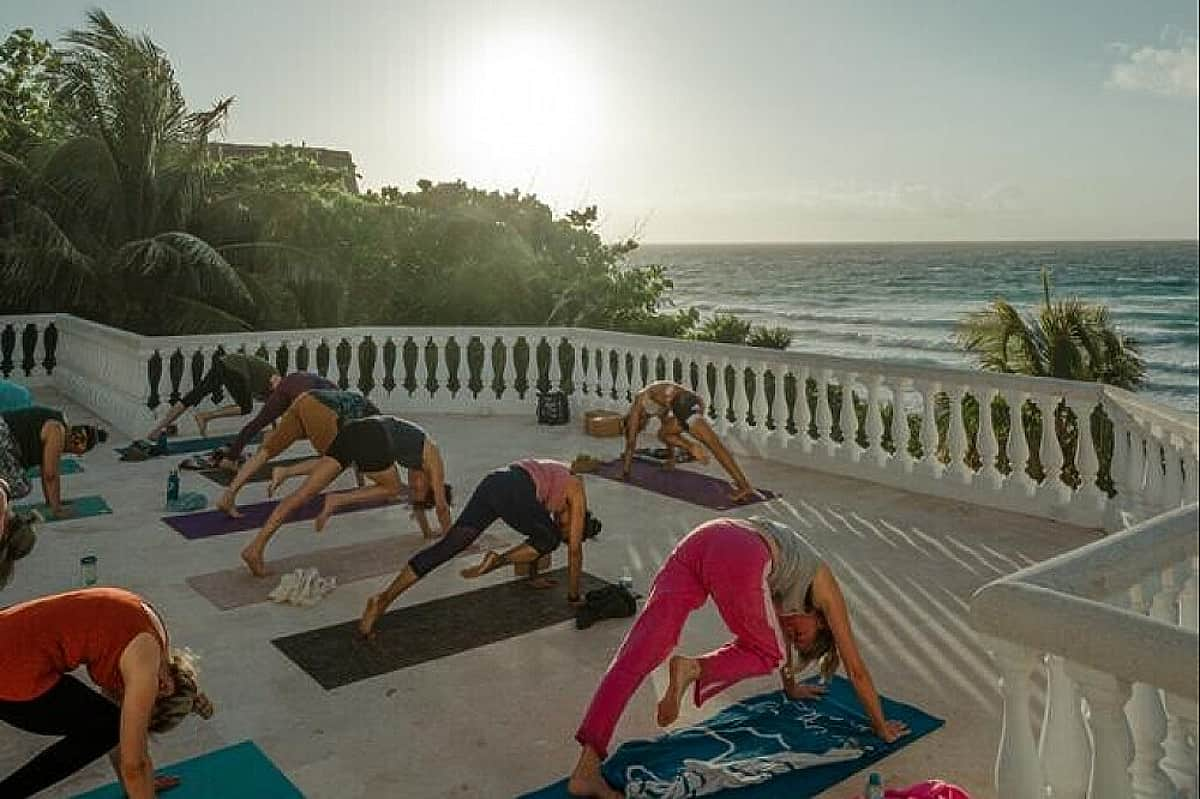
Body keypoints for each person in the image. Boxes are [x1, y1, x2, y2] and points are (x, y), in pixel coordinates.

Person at [566, 516, 909, 798]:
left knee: (634, 657)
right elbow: (856, 668)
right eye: (801, 634)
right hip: (740, 548)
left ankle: (586, 769)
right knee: (768, 652)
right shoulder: (826, 591)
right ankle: (693, 669)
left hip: (703, 538)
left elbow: (778, 636)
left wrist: (790, 688)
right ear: (820, 621)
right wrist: (880, 726)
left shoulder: (785, 586)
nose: (791, 633)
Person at [0, 587, 214, 799]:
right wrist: (138, 780)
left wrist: (140, 785)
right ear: (165, 688)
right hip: (9, 668)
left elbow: (119, 737)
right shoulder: (145, 670)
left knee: (105, 724)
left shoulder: (150, 632)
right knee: (106, 726)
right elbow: (134, 764)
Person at [359, 458, 598, 637]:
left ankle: (382, 599)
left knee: (447, 547)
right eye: (567, 525)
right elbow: (574, 550)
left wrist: (534, 576)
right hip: (515, 487)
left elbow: (536, 535)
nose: (561, 523)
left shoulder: (552, 481)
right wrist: (574, 596)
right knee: (550, 538)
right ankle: (497, 560)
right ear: (581, 517)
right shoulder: (576, 487)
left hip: (494, 482)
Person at [239, 415, 451, 577]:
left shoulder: (417, 462)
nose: (413, 484)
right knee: (394, 489)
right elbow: (441, 506)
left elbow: (420, 502)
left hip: (354, 431)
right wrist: (454, 539)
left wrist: (427, 531)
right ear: (433, 485)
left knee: (302, 494)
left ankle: (255, 548)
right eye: (418, 487)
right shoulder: (434, 457)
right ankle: (336, 499)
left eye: (415, 490)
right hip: (373, 435)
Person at [216, 389, 378, 518]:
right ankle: (285, 471)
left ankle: (228, 496)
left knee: (266, 452)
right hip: (320, 407)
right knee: (333, 462)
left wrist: (361, 486)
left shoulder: (367, 415)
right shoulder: (378, 426)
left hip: (303, 400)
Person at [621, 381, 757, 503]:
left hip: (683, 404)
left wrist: (626, 471)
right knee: (663, 434)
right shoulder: (653, 402)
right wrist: (672, 459)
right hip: (688, 403)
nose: (642, 426)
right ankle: (691, 446)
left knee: (715, 445)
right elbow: (667, 429)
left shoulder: (637, 408)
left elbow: (631, 442)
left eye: (640, 426)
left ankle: (744, 486)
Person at [210, 370, 335, 469]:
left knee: (257, 423)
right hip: (306, 394)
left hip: (295, 384)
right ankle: (239, 456)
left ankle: (231, 457)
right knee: (305, 430)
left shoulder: (329, 391)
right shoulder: (335, 400)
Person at [1, 405, 107, 521]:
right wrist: (57, 510)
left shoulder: (58, 420)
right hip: (4, 438)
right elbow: (50, 475)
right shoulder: (57, 431)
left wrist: (51, 502)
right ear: (80, 452)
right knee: (20, 485)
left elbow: (45, 469)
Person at [145, 352, 278, 441]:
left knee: (194, 395)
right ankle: (205, 416)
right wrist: (276, 429)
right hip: (236, 368)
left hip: (223, 362)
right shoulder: (279, 382)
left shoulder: (269, 384)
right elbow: (272, 406)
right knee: (246, 407)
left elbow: (270, 407)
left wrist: (274, 428)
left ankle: (156, 430)